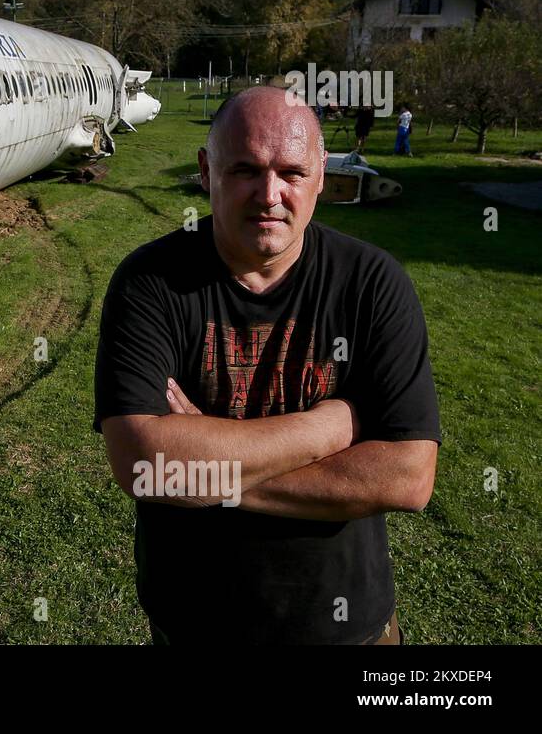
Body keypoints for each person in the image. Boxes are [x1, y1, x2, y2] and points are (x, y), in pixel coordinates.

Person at [94, 86, 440, 645]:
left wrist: (206, 471)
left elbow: (407, 477)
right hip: (197, 622)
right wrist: (327, 428)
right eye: (246, 169)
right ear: (207, 171)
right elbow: (142, 462)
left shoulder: (372, 283)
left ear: (322, 174)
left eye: (292, 172)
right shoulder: (150, 283)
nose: (270, 194)